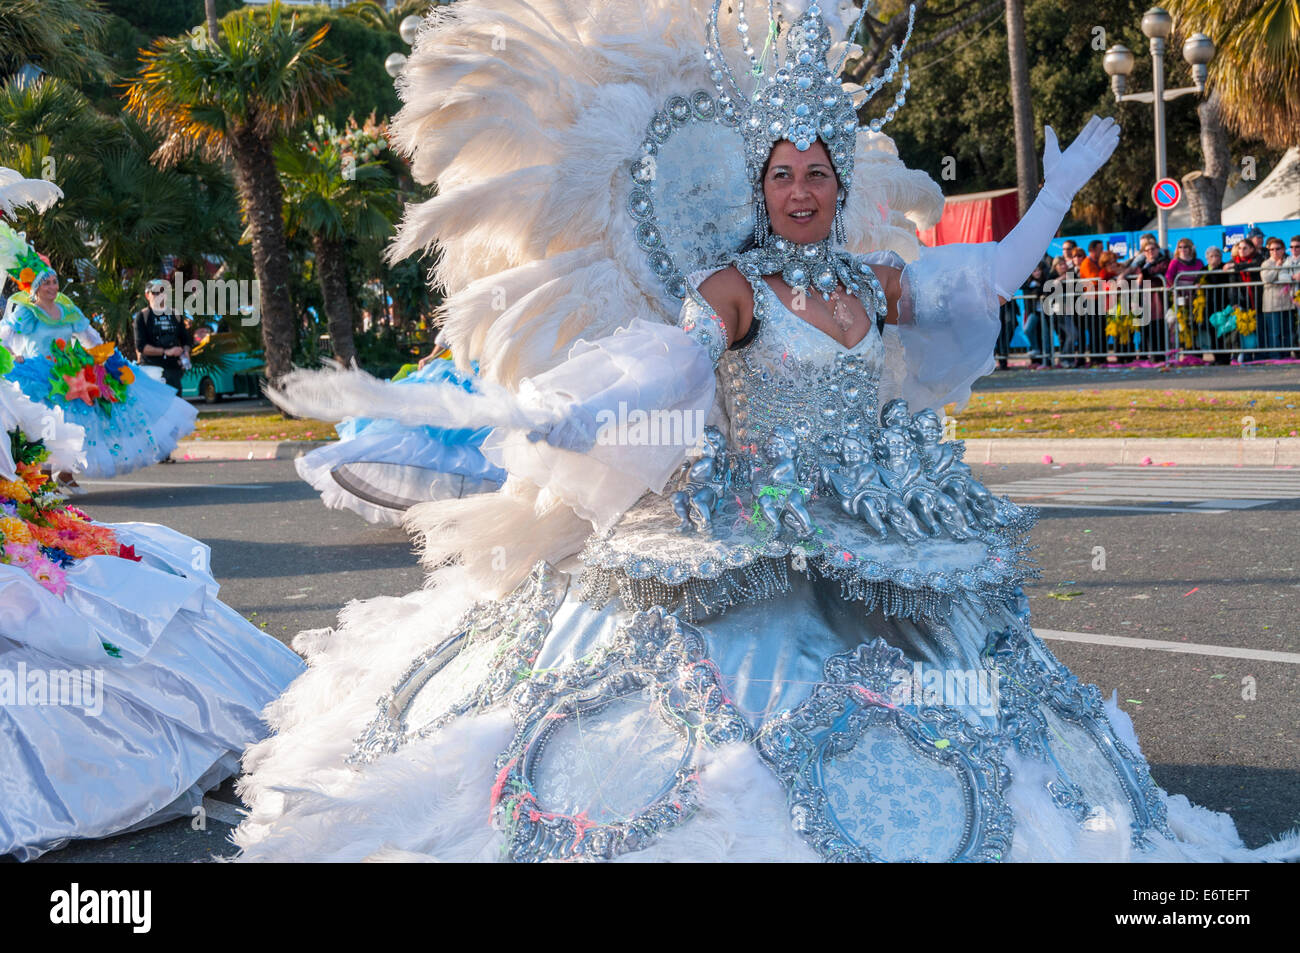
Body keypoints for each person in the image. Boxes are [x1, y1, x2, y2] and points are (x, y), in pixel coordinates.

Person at [231, 0, 1297, 863]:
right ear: (761, 188)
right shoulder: (734, 285)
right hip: (752, 525)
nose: (797, 190)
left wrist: (1055, 192)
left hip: (885, 522)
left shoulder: (874, 282)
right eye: (780, 174)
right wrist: (549, 406)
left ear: (839, 187)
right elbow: (675, 359)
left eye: (815, 174)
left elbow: (976, 278)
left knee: (978, 693)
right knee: (729, 716)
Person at [0, 355, 304, 859]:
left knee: (84, 604)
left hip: (18, 524)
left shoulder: (6, 389)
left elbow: (38, 442)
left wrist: (38, 486)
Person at [0, 224, 197, 478]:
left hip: (69, 372)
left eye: (54, 282)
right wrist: (12, 355)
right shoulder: (28, 311)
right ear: (35, 288)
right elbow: (5, 336)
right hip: (38, 374)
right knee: (46, 428)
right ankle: (45, 478)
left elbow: (89, 337)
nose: (52, 287)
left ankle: (67, 476)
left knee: (77, 425)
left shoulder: (68, 310)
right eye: (46, 283)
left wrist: (107, 357)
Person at [293, 341, 505, 525]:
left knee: (464, 442)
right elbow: (454, 329)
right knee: (428, 434)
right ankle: (441, 503)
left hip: (492, 372)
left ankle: (467, 504)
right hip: (467, 371)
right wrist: (434, 354)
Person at [133, 280, 193, 395]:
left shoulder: (175, 314)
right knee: (156, 409)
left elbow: (186, 340)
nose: (160, 295)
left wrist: (185, 353)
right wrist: (166, 351)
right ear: (147, 295)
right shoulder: (143, 316)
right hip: (152, 371)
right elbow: (141, 346)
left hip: (173, 370)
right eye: (155, 292)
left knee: (175, 408)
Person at [1259, 237, 1296, 359]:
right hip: (1272, 305)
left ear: (1283, 249)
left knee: (1288, 332)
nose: (1275, 252)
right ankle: (1275, 356)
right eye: (1271, 249)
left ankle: (1286, 355)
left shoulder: (1289, 261)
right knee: (1274, 333)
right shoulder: (1266, 263)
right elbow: (1267, 279)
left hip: (1287, 303)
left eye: (1277, 249)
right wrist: (1277, 267)